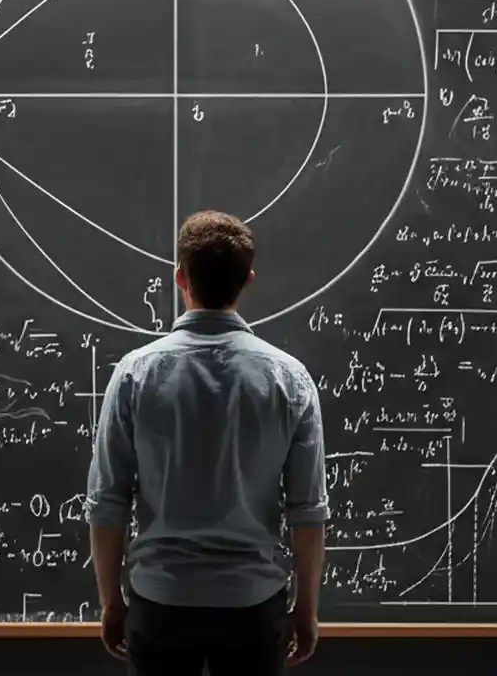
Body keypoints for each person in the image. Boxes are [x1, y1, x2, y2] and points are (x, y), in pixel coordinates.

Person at [84, 210, 329, 675]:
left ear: (180, 277)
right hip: (254, 605)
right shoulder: (288, 379)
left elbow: (107, 502)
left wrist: (111, 603)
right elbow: (307, 509)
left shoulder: (136, 374)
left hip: (161, 602)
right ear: (247, 280)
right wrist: (306, 609)